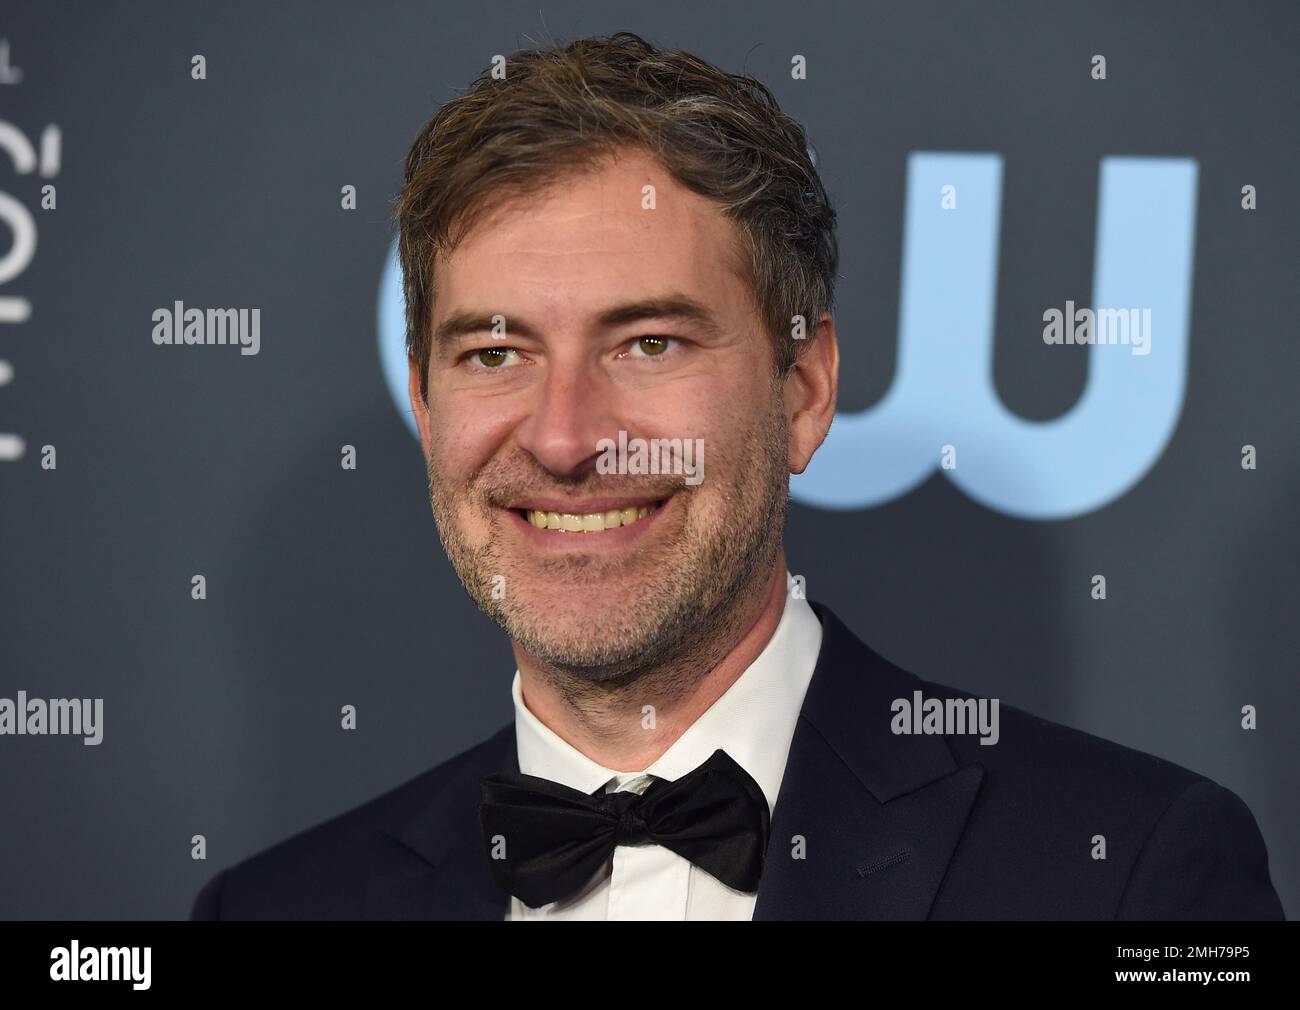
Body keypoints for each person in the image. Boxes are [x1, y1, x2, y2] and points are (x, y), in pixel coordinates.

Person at [191, 32, 1283, 921]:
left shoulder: (1131, 874)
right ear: (427, 412)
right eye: (495, 353)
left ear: (802, 390)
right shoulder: (274, 908)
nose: (567, 438)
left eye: (649, 343)